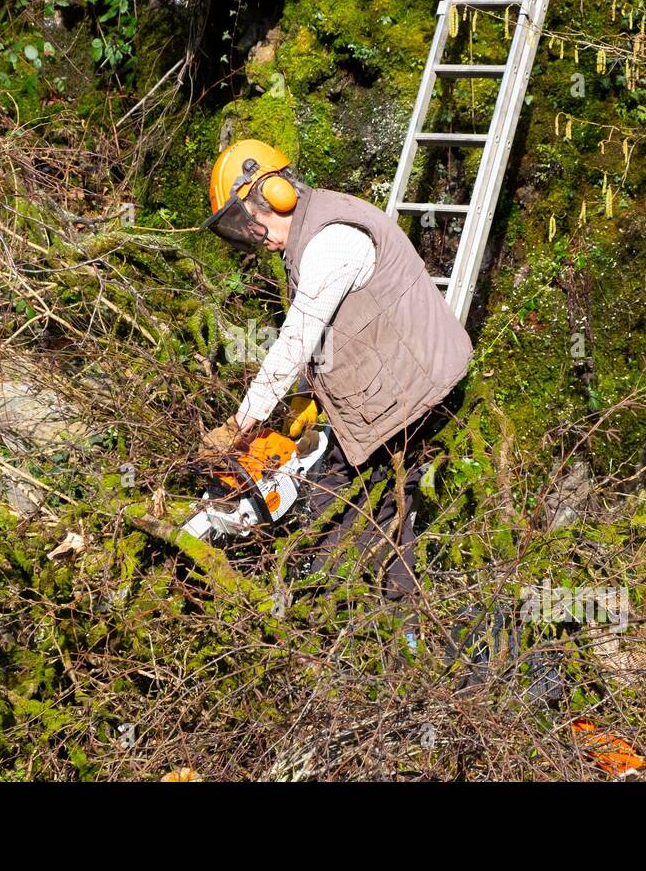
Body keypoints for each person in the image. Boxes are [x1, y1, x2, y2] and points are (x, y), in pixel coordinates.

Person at [197, 139, 473, 617]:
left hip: (417, 390)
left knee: (333, 509)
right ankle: (385, 611)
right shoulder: (308, 238)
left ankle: (324, 604)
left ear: (275, 193)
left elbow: (297, 337)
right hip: (392, 394)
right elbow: (329, 335)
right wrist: (305, 401)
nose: (250, 235)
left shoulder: (332, 240)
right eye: (237, 229)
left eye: (245, 221)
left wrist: (241, 424)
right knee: (379, 505)